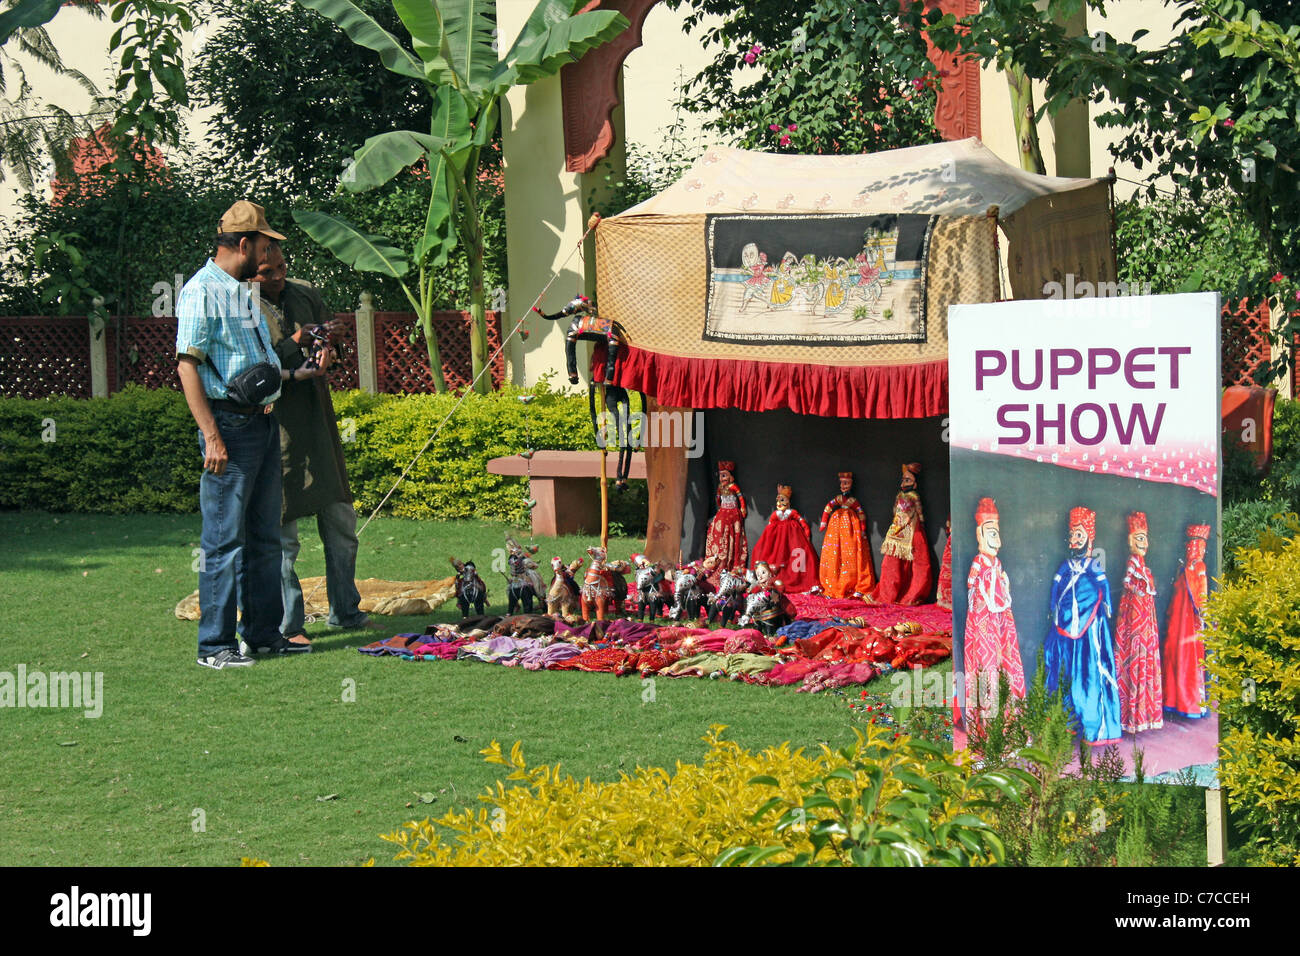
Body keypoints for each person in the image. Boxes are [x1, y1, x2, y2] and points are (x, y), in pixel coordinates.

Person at [176, 200, 313, 669]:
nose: (269, 253)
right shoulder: (201, 292)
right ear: (243, 243)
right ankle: (214, 647)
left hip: (261, 423)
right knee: (222, 540)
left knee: (263, 536)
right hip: (228, 428)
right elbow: (187, 366)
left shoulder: (239, 290)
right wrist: (211, 437)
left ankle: (261, 634)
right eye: (264, 243)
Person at [252, 241, 372, 645]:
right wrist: (297, 339)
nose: (278, 276)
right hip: (275, 428)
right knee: (284, 536)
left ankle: (346, 611)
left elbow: (331, 348)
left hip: (317, 423)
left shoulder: (305, 292)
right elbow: (253, 365)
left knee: (341, 522)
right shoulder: (241, 305)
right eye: (267, 272)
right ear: (251, 272)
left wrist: (328, 346)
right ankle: (290, 625)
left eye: (282, 266)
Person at [1043, 506, 1121, 744]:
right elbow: (1056, 585)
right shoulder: (1066, 564)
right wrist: (1053, 605)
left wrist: (1107, 604)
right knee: (1063, 666)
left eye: (1079, 534)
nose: (1075, 540)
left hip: (1091, 623)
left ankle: (1093, 725)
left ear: (1089, 536)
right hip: (1065, 622)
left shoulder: (1094, 565)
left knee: (1089, 668)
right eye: (1072, 535)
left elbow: (1104, 586)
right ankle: (1066, 721)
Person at [961, 498, 1025, 727]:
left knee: (1005, 661)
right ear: (980, 534)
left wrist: (1003, 584)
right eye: (993, 534)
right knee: (986, 665)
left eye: (997, 534)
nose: (999, 542)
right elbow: (971, 583)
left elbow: (999, 586)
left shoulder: (997, 565)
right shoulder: (979, 562)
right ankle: (988, 724)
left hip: (1000, 618)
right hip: (983, 619)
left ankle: (1008, 718)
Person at [1116, 512, 1163, 733]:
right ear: (1131, 540)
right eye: (1140, 538)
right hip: (1134, 618)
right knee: (1134, 658)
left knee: (1146, 659)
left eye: (1145, 538)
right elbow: (1129, 584)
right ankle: (1131, 714)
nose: (1145, 543)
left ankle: (1144, 714)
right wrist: (1139, 593)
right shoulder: (1133, 563)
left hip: (1145, 619)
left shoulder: (1143, 565)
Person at [1163, 523, 1211, 719]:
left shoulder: (1190, 567)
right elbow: (1200, 595)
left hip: (1184, 623)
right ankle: (1182, 702)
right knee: (1183, 659)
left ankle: (1181, 702)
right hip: (1185, 623)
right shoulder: (1194, 567)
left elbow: (1198, 594)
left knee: (1182, 659)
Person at [868, 462, 934, 605]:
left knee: (919, 563)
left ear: (915, 484)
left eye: (908, 480)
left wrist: (920, 522)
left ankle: (912, 594)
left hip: (912, 528)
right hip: (897, 529)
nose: (904, 483)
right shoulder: (900, 495)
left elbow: (919, 511)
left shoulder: (914, 496)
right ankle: (887, 593)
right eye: (903, 480)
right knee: (891, 564)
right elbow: (895, 510)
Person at [751, 484, 818, 593]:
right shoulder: (775, 514)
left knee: (796, 557)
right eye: (778, 500)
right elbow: (769, 525)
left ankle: (795, 578)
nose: (779, 503)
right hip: (776, 541)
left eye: (782, 500)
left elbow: (802, 522)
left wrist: (807, 534)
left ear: (788, 501)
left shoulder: (791, 513)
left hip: (792, 538)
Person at [817, 471, 875, 598]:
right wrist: (823, 522)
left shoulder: (852, 501)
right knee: (834, 552)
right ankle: (833, 583)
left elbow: (860, 513)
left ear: (851, 484)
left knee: (850, 553)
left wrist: (863, 528)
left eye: (847, 483)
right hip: (836, 525)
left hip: (850, 527)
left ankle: (850, 583)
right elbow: (828, 507)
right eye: (842, 483)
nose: (844, 485)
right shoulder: (838, 499)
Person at [703, 460, 747, 586]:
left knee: (733, 535)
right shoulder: (720, 487)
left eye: (724, 475)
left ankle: (733, 564)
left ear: (730, 476)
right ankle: (715, 561)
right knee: (717, 532)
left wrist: (742, 508)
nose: (722, 478)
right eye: (721, 475)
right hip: (723, 512)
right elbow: (718, 498)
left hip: (733, 513)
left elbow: (740, 498)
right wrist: (720, 507)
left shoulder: (734, 487)